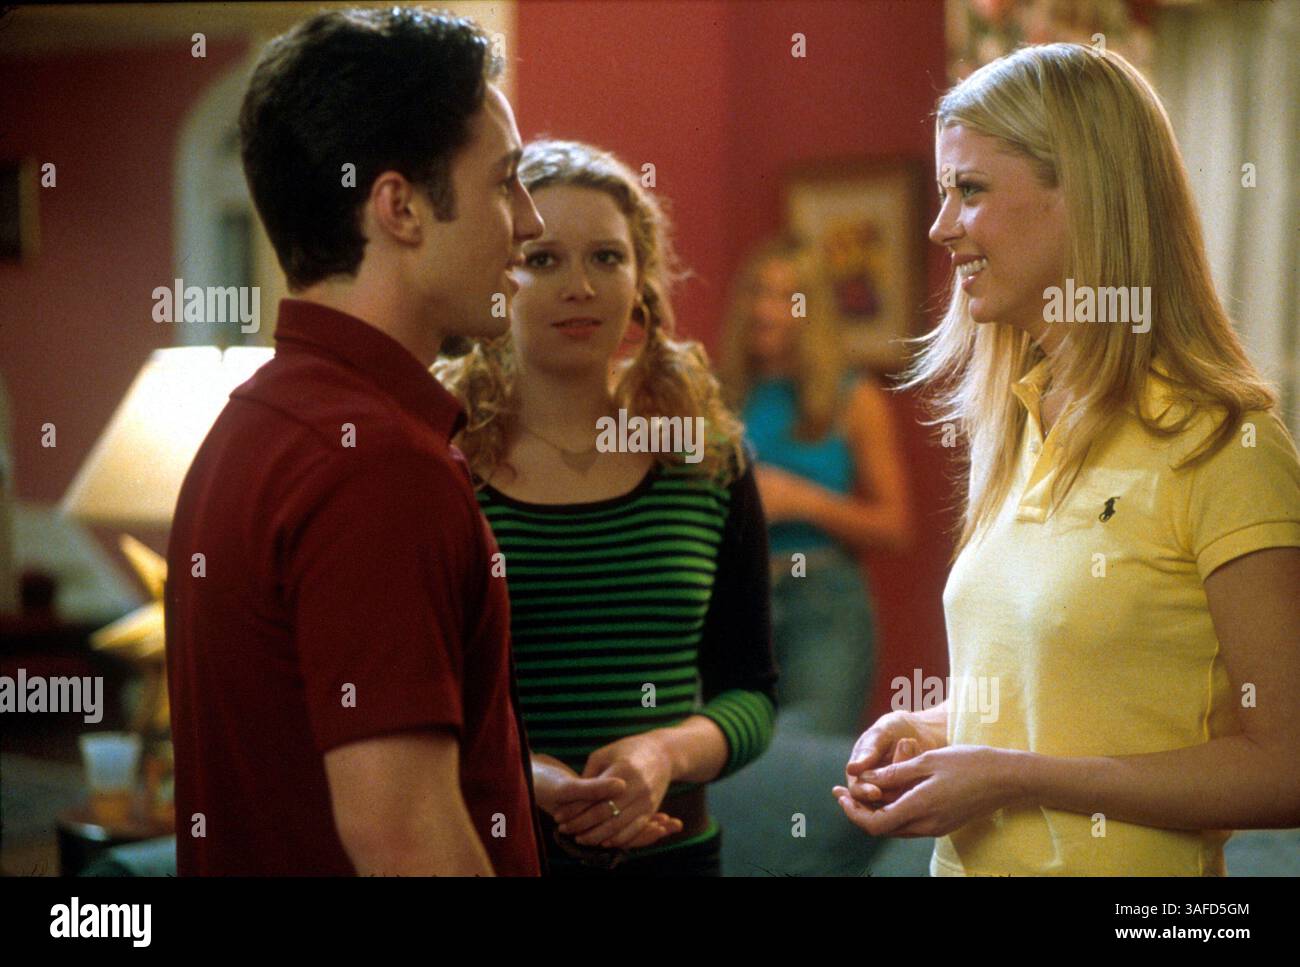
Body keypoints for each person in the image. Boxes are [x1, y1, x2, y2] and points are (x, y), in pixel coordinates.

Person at [836, 42, 1300, 876]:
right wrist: (934, 732)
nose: (940, 228)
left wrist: (1012, 778)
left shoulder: (1229, 446)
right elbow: (1062, 705)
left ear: (1083, 195)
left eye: (968, 190)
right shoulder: (1010, 424)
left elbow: (1288, 763)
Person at [165, 8, 546, 876]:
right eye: (505, 181)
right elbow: (403, 840)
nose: (526, 222)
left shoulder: (252, 422)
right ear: (401, 208)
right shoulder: (375, 467)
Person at [436, 139, 778, 877]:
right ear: (500, 273)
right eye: (543, 258)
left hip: (675, 859)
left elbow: (751, 692)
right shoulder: (442, 464)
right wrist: (534, 779)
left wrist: (664, 752)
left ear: (642, 280)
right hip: (495, 854)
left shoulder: (707, 459)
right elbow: (415, 713)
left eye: (606, 257)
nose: (580, 287)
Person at [707, 237, 912, 876]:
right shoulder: (718, 396)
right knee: (727, 762)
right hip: (738, 603)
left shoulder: (855, 400)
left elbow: (895, 526)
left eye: (780, 296)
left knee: (807, 768)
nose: (764, 310)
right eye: (755, 294)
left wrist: (803, 501)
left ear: (809, 309)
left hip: (826, 604)